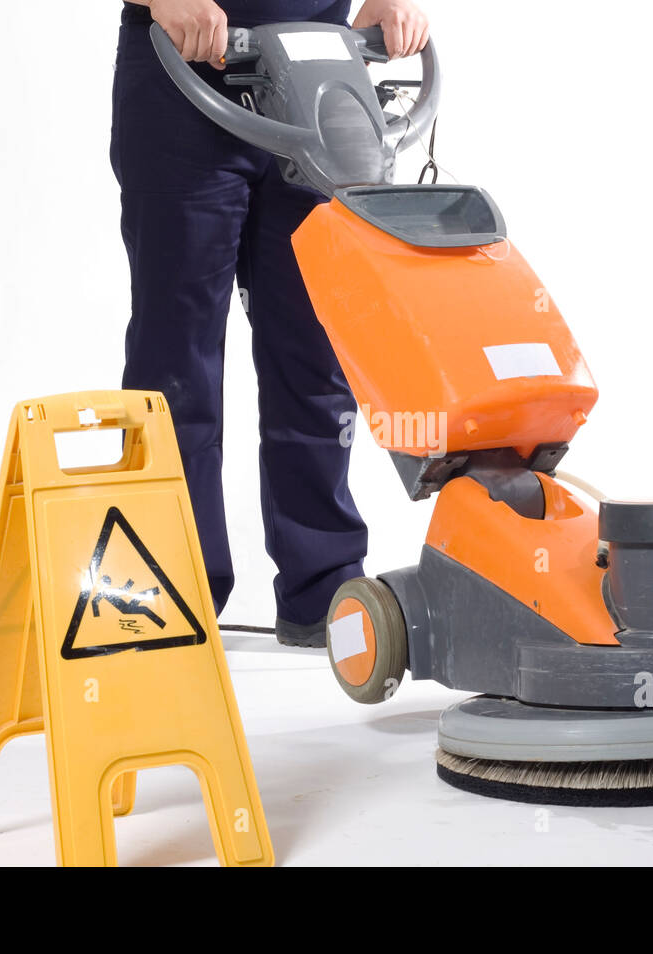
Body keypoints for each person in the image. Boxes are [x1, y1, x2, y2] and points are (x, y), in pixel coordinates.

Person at [111, 0, 429, 646]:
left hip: (320, 78)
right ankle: (173, 592)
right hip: (185, 74)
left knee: (316, 352)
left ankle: (324, 589)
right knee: (176, 362)